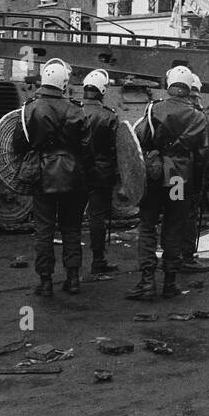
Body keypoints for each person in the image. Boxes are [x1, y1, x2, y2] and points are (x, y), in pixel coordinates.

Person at [129, 66, 209, 300]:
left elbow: (140, 139)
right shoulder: (198, 115)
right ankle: (170, 282)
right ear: (188, 88)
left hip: (154, 175)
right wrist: (197, 185)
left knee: (147, 225)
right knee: (174, 225)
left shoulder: (154, 108)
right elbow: (204, 155)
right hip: (178, 177)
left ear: (169, 85)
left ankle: (146, 282)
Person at [14, 59, 89, 296]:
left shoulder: (30, 108)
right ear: (64, 84)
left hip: (41, 175)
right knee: (71, 229)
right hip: (72, 175)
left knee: (44, 231)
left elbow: (18, 144)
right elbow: (88, 148)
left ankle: (45, 282)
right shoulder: (77, 109)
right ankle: (73, 279)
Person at [80, 69, 119, 276]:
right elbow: (116, 148)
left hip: (76, 172)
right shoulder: (108, 116)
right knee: (97, 217)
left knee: (71, 219)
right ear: (102, 91)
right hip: (101, 173)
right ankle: (98, 261)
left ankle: (72, 267)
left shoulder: (73, 110)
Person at [177, 70, 209, 276]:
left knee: (174, 211)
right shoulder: (198, 115)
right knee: (190, 214)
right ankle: (187, 258)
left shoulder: (163, 109)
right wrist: (205, 178)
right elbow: (205, 152)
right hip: (191, 175)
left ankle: (172, 255)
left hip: (173, 174)